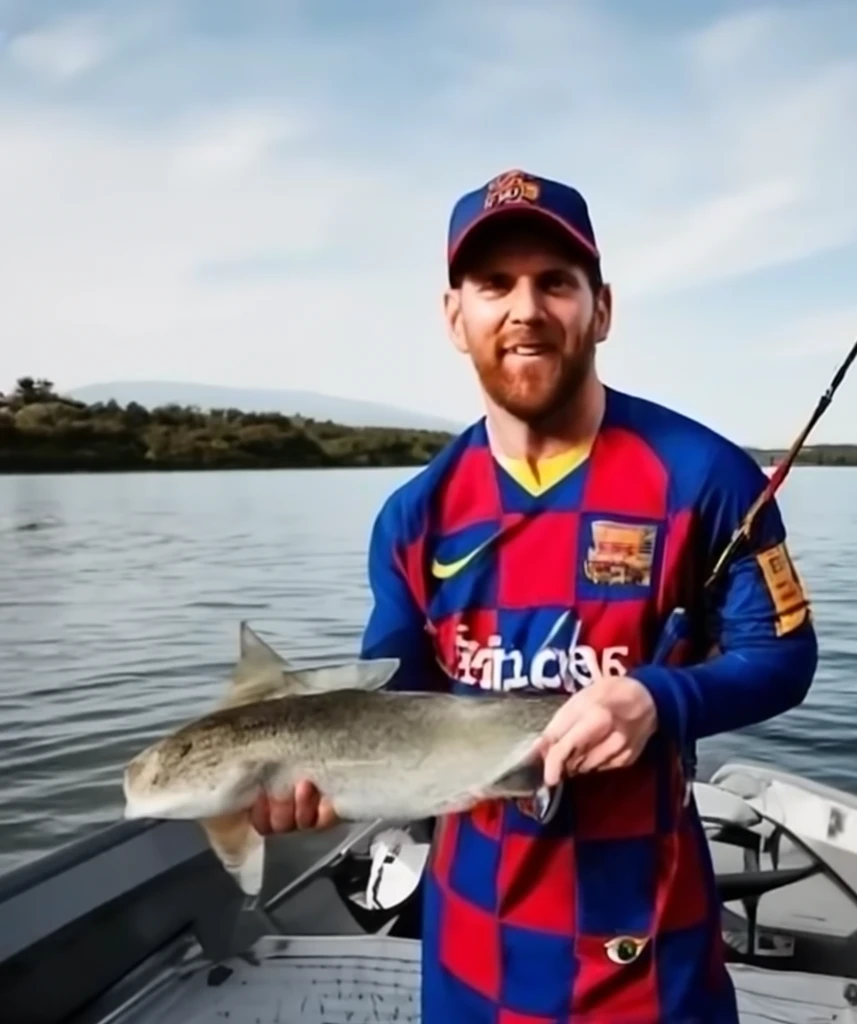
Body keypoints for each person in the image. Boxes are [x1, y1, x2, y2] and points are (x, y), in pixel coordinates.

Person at [251, 168, 819, 1022]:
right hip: (471, 946)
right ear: (456, 316)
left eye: (555, 282)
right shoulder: (414, 514)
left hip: (651, 950)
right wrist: (310, 769)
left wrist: (658, 698)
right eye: (494, 285)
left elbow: (783, 656)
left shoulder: (703, 475)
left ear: (601, 308)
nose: (525, 309)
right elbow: (392, 688)